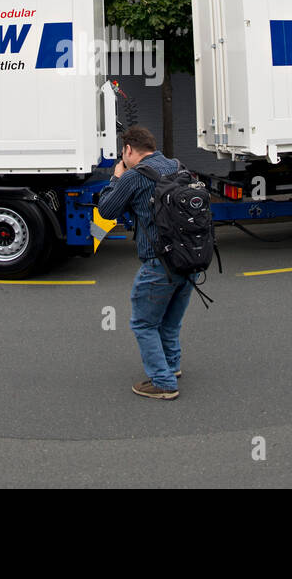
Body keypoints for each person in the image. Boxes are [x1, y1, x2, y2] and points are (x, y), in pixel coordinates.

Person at [95, 125, 192, 400]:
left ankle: (163, 382)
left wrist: (115, 178)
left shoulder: (133, 176)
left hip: (158, 263)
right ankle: (171, 367)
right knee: (169, 323)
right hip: (189, 259)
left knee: (144, 323)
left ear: (127, 150)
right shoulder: (176, 166)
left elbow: (106, 211)